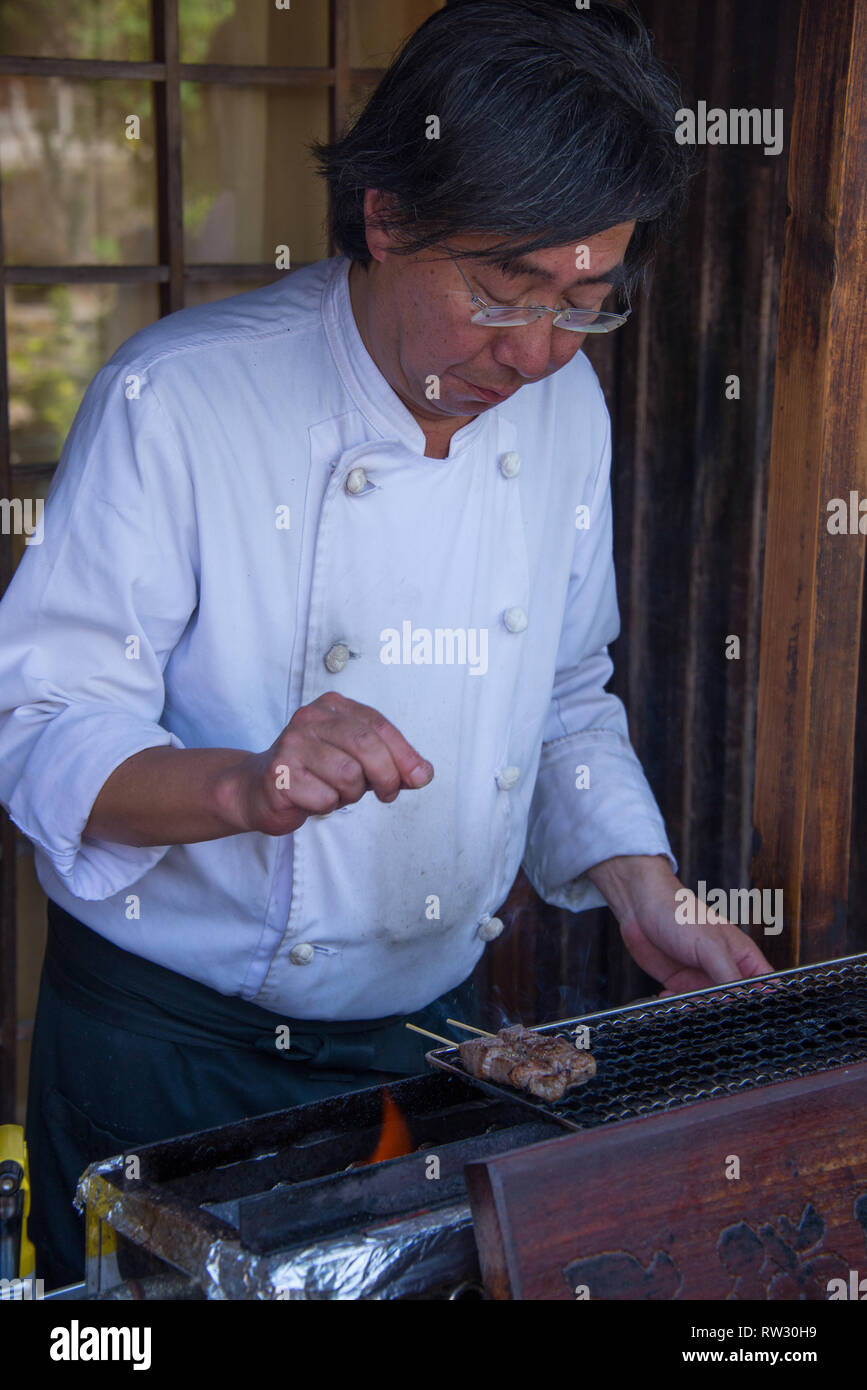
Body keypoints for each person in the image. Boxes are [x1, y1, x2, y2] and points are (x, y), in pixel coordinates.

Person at [0, 0, 772, 1289]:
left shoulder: (564, 405)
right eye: (500, 291)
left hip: (426, 1040)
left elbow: (568, 693)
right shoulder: (182, 399)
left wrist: (644, 886)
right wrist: (248, 785)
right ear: (385, 218)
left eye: (585, 300)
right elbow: (38, 722)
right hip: (169, 1048)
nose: (532, 353)